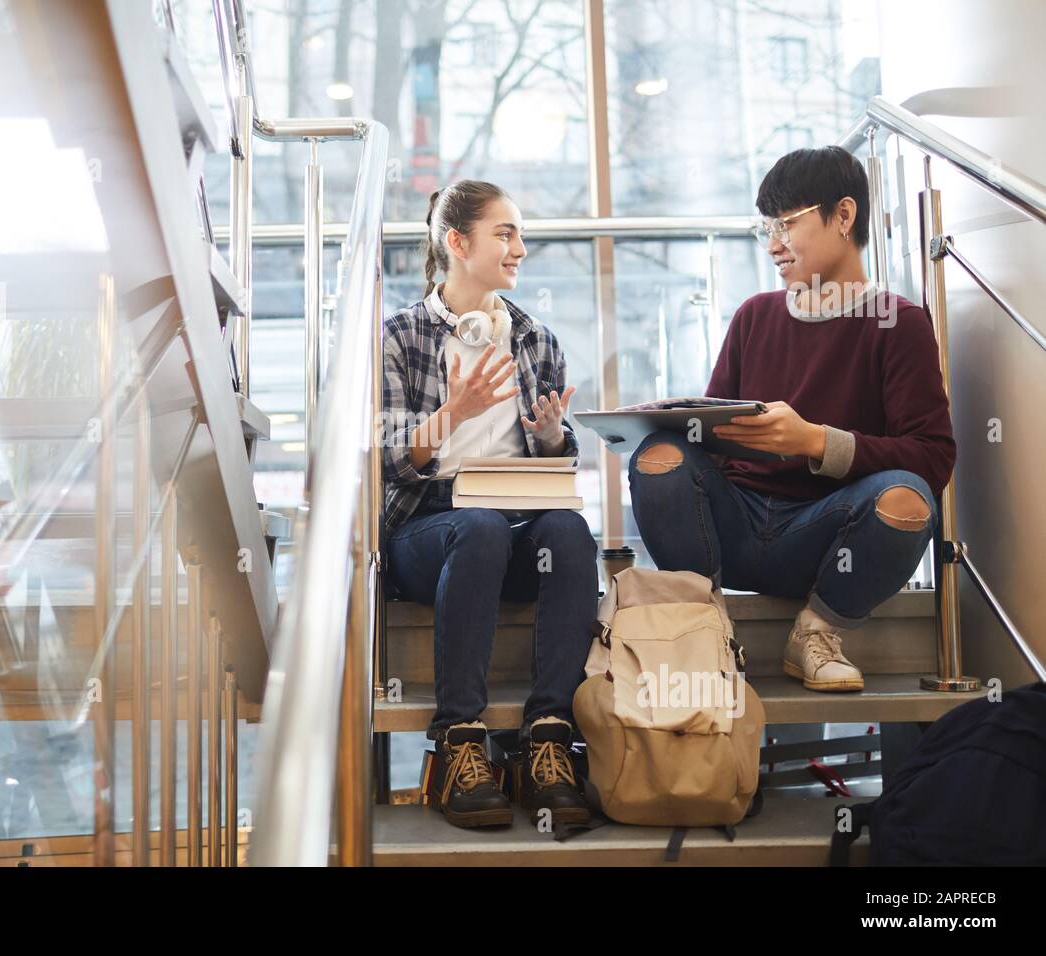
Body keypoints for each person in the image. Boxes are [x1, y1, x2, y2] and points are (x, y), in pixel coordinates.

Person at [628, 146, 956, 693]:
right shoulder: (755, 315)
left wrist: (816, 442)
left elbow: (933, 456)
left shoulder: (899, 323)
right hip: (731, 530)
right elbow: (705, 441)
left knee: (907, 496)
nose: (774, 244)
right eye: (766, 229)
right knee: (658, 457)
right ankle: (704, 629)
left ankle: (817, 632)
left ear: (844, 216)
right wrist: (673, 424)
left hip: (825, 539)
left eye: (786, 224)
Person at [380, 180, 596, 829]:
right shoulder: (401, 337)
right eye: (505, 233)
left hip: (519, 520)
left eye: (519, 234)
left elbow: (559, 464)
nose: (520, 249)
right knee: (477, 529)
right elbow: (386, 458)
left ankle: (549, 738)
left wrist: (556, 436)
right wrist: (454, 414)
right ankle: (458, 741)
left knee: (571, 532)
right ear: (457, 242)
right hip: (431, 528)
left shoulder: (534, 339)